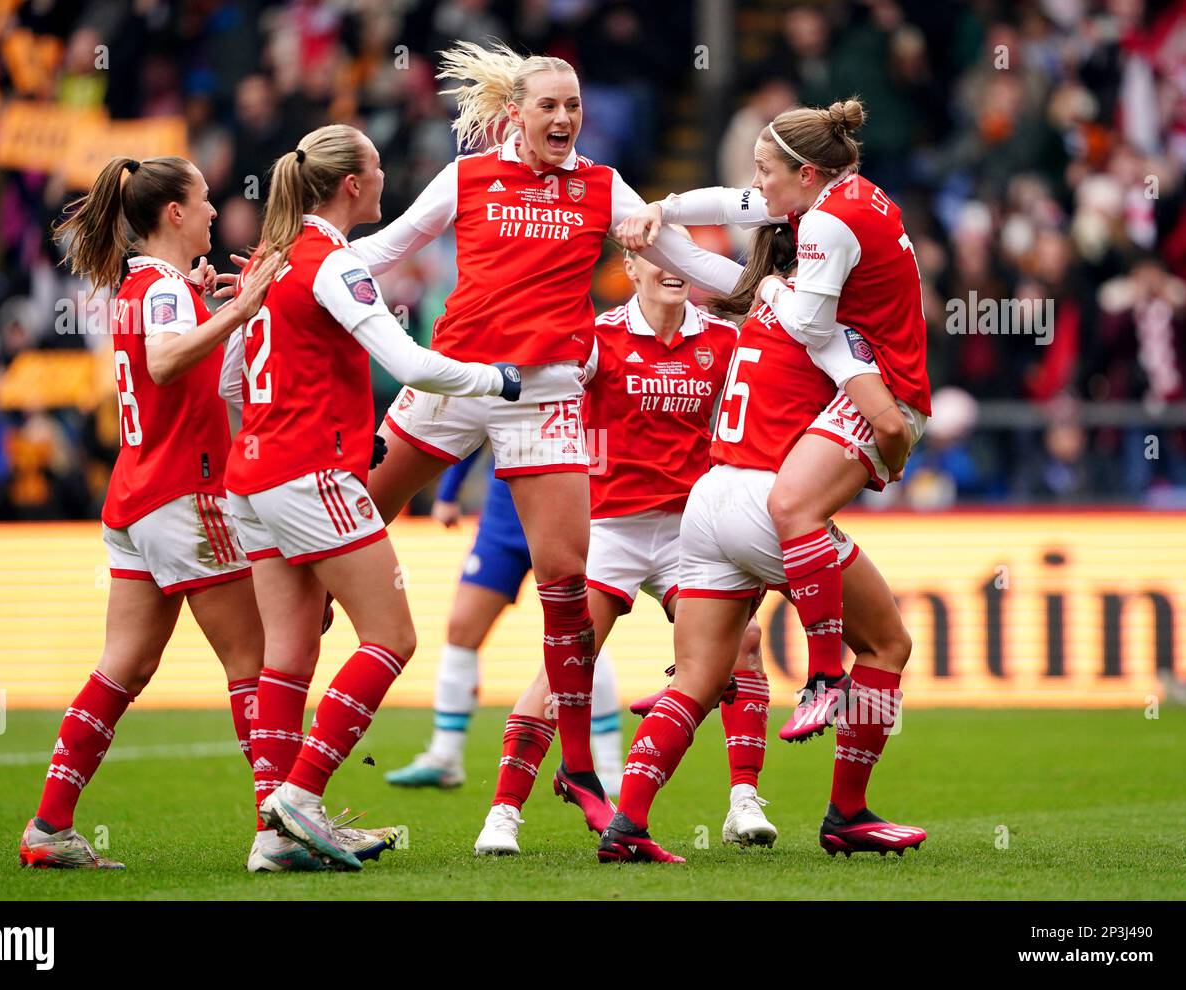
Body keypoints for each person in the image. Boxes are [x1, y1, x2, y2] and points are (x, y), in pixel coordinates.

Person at [349, 41, 746, 831]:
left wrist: (769, 294)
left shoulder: (602, 186)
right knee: (352, 518)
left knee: (565, 587)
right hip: (454, 380)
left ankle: (578, 773)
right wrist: (301, 274)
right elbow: (382, 248)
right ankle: (287, 753)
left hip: (540, 395)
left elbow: (683, 257)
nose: (564, 118)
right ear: (514, 114)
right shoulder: (467, 177)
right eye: (549, 106)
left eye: (573, 105)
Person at [219, 123, 520, 873]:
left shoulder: (269, 260)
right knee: (392, 638)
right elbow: (410, 361)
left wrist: (268, 432)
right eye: (379, 167)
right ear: (352, 184)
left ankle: (270, 837)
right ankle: (303, 797)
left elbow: (229, 382)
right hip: (306, 475)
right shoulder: (333, 262)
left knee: (288, 655)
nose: (387, 177)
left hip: (250, 479)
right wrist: (500, 380)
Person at [599, 224, 926, 863]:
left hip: (709, 495)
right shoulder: (827, 324)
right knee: (888, 644)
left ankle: (628, 824)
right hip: (768, 502)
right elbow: (886, 419)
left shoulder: (766, 299)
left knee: (697, 677)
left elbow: (712, 249)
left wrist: (664, 212)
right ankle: (847, 812)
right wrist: (894, 459)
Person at [615, 98, 930, 744]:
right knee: (869, 621)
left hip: (877, 388)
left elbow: (811, 325)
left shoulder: (813, 268)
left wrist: (768, 289)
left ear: (805, 177)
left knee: (789, 511)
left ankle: (794, 678)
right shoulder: (825, 214)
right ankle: (820, 755)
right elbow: (731, 222)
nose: (756, 187)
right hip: (836, 406)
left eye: (764, 172)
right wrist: (662, 212)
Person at [19, 155, 281, 870]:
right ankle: (278, 826)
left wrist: (207, 307)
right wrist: (239, 308)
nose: (211, 211)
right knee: (253, 660)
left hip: (135, 498)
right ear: (174, 213)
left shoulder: (145, 287)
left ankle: (49, 827)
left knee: (124, 667)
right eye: (202, 201)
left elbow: (164, 358)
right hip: (181, 493)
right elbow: (165, 363)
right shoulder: (165, 291)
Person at [474, 237, 775, 855]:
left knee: (742, 646)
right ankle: (503, 813)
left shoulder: (724, 341)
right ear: (630, 268)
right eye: (657, 255)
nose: (672, 267)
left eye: (682, 255)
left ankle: (743, 801)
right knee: (565, 665)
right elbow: (541, 392)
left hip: (692, 528)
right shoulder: (598, 338)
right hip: (610, 525)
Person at [383, 449, 623, 794]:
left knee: (584, 637)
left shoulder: (583, 392)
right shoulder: (507, 391)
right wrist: (448, 492)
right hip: (504, 517)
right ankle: (445, 755)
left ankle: (609, 765)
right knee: (462, 628)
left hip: (567, 511)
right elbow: (477, 416)